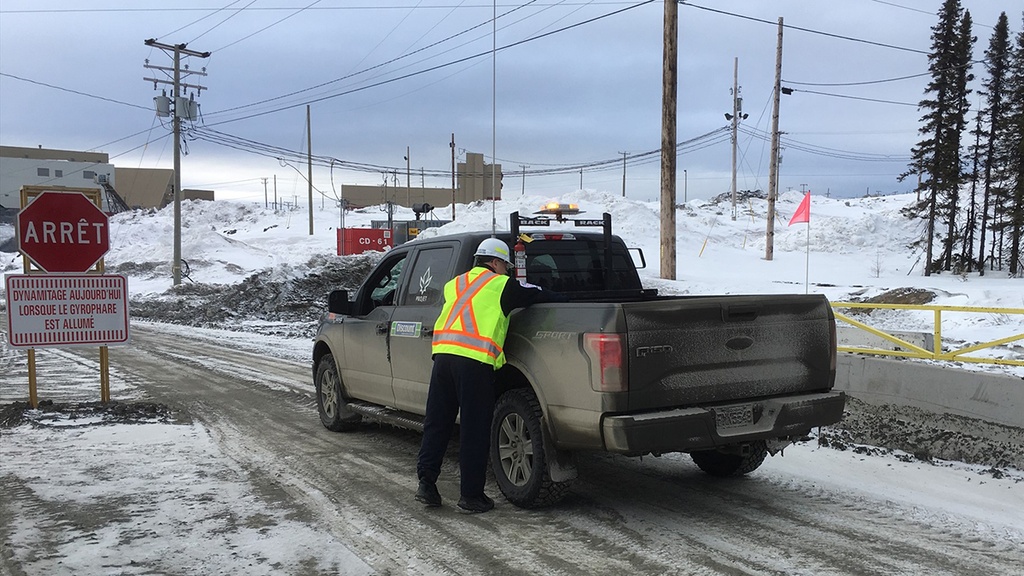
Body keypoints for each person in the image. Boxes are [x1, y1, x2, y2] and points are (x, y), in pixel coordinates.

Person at [415, 237, 567, 513]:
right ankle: (471, 496)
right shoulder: (501, 285)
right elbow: (541, 295)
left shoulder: (455, 284)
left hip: (443, 359)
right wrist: (568, 297)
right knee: (474, 429)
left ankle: (426, 484)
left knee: (437, 422)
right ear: (496, 263)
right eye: (506, 266)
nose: (508, 271)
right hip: (473, 363)